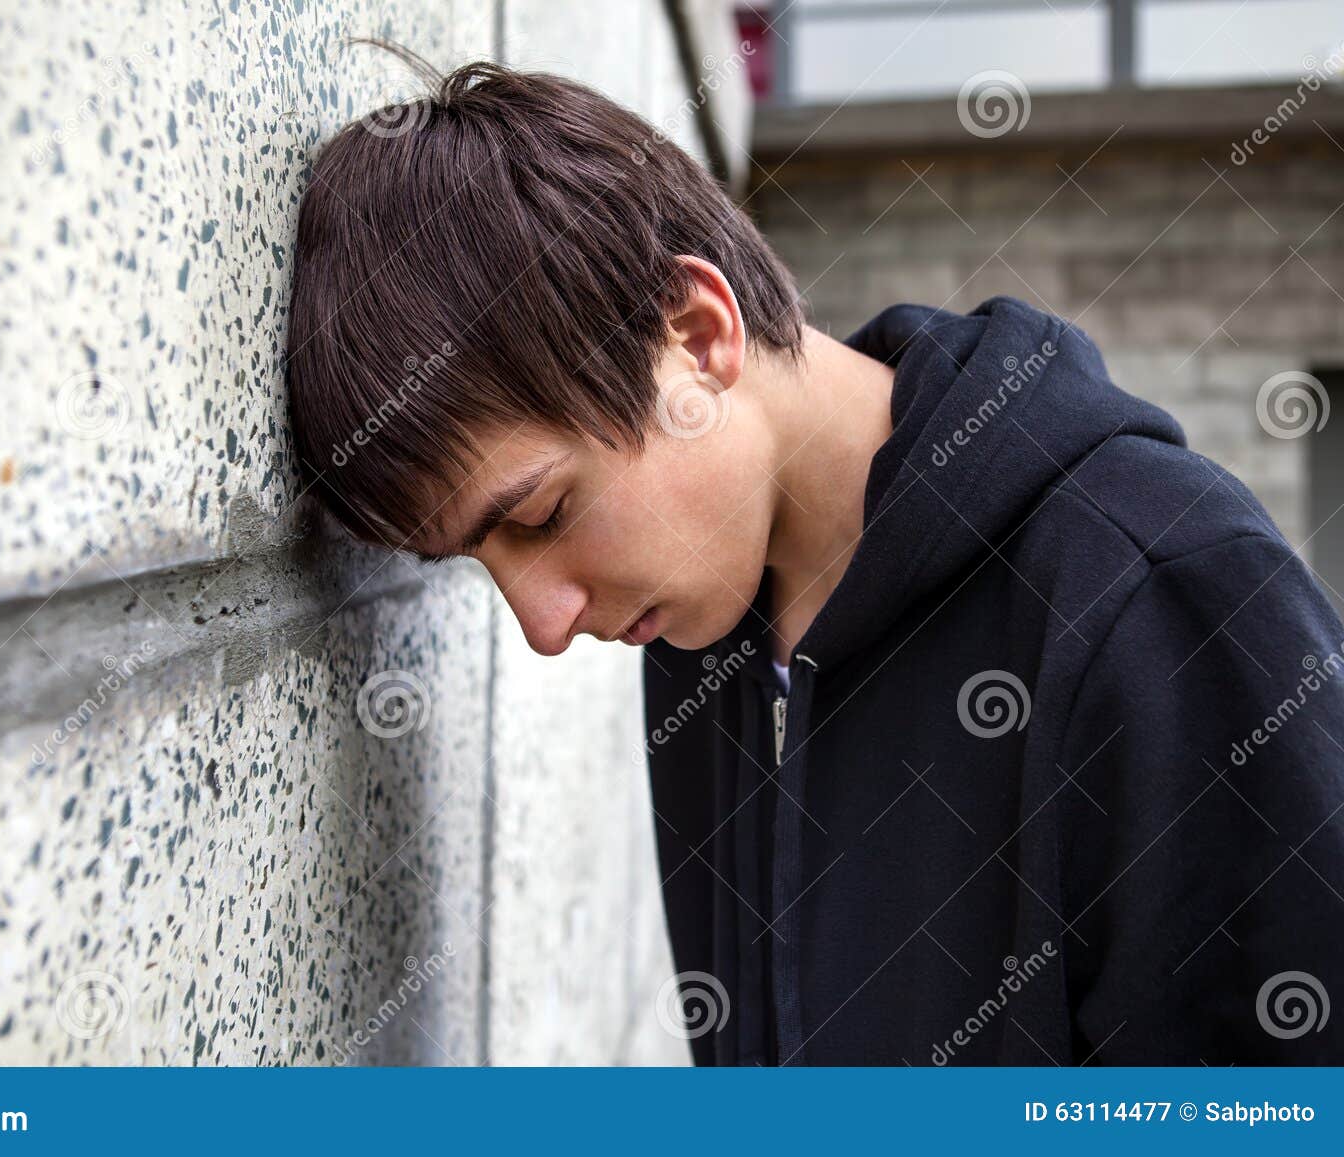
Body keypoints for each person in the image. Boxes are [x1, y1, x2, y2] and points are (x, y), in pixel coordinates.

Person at [283, 53, 1344, 1064]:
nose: (546, 624)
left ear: (698, 336)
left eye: (544, 512)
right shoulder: (705, 625)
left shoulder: (1162, 585)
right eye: (473, 558)